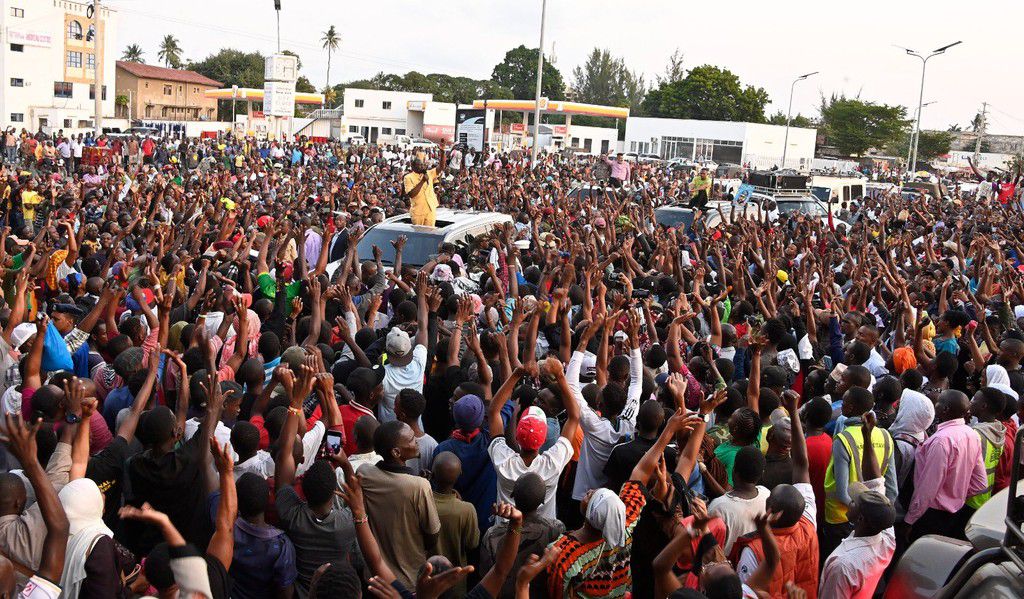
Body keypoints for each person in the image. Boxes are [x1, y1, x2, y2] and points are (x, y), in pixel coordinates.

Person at [819, 412, 897, 598]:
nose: (850, 500)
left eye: (854, 501)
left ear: (861, 518)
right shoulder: (886, 536)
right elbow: (875, 481)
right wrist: (867, 436)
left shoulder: (843, 565)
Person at [359, 419, 440, 588]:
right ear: (396, 452)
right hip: (408, 581)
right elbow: (432, 535)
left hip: (375, 577)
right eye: (411, 440)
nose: (416, 441)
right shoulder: (419, 486)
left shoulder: (365, 473)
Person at [906, 390, 988, 542]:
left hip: (930, 514)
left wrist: (910, 520)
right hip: (953, 512)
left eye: (938, 402)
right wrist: (955, 493)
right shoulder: (971, 434)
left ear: (945, 409)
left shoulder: (941, 441)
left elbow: (927, 488)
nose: (935, 405)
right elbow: (980, 483)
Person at [404, 141, 447, 226]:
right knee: (419, 235)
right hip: (418, 212)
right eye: (419, 165)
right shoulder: (408, 177)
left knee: (430, 234)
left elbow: (441, 166)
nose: (422, 166)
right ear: (413, 167)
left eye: (422, 164)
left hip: (430, 209)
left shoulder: (429, 173)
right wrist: (422, 181)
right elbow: (411, 194)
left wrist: (442, 152)